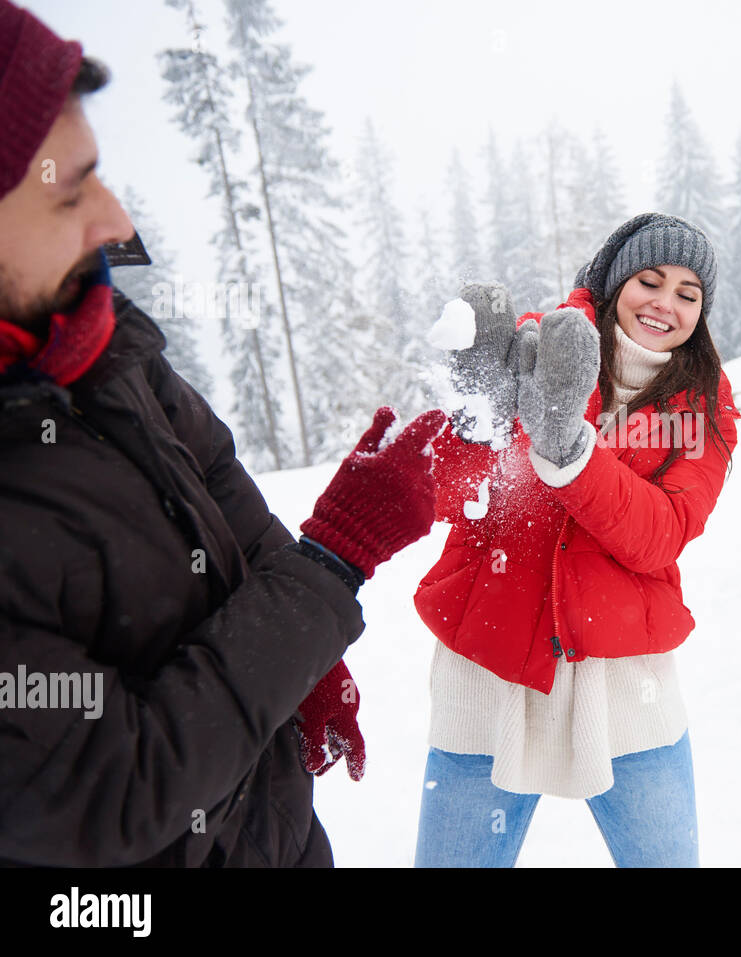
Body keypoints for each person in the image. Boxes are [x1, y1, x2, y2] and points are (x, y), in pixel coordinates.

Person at [0, 1, 442, 865]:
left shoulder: (89, 335)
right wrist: (334, 560)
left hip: (270, 833)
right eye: (69, 192)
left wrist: (304, 661)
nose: (117, 222)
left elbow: (213, 477)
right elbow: (121, 786)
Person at [410, 213, 739, 867]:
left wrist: (572, 454)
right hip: (489, 673)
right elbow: (453, 497)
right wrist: (477, 421)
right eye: (650, 281)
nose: (665, 304)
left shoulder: (704, 407)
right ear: (617, 283)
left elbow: (660, 535)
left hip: (625, 690)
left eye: (688, 293)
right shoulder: (538, 347)